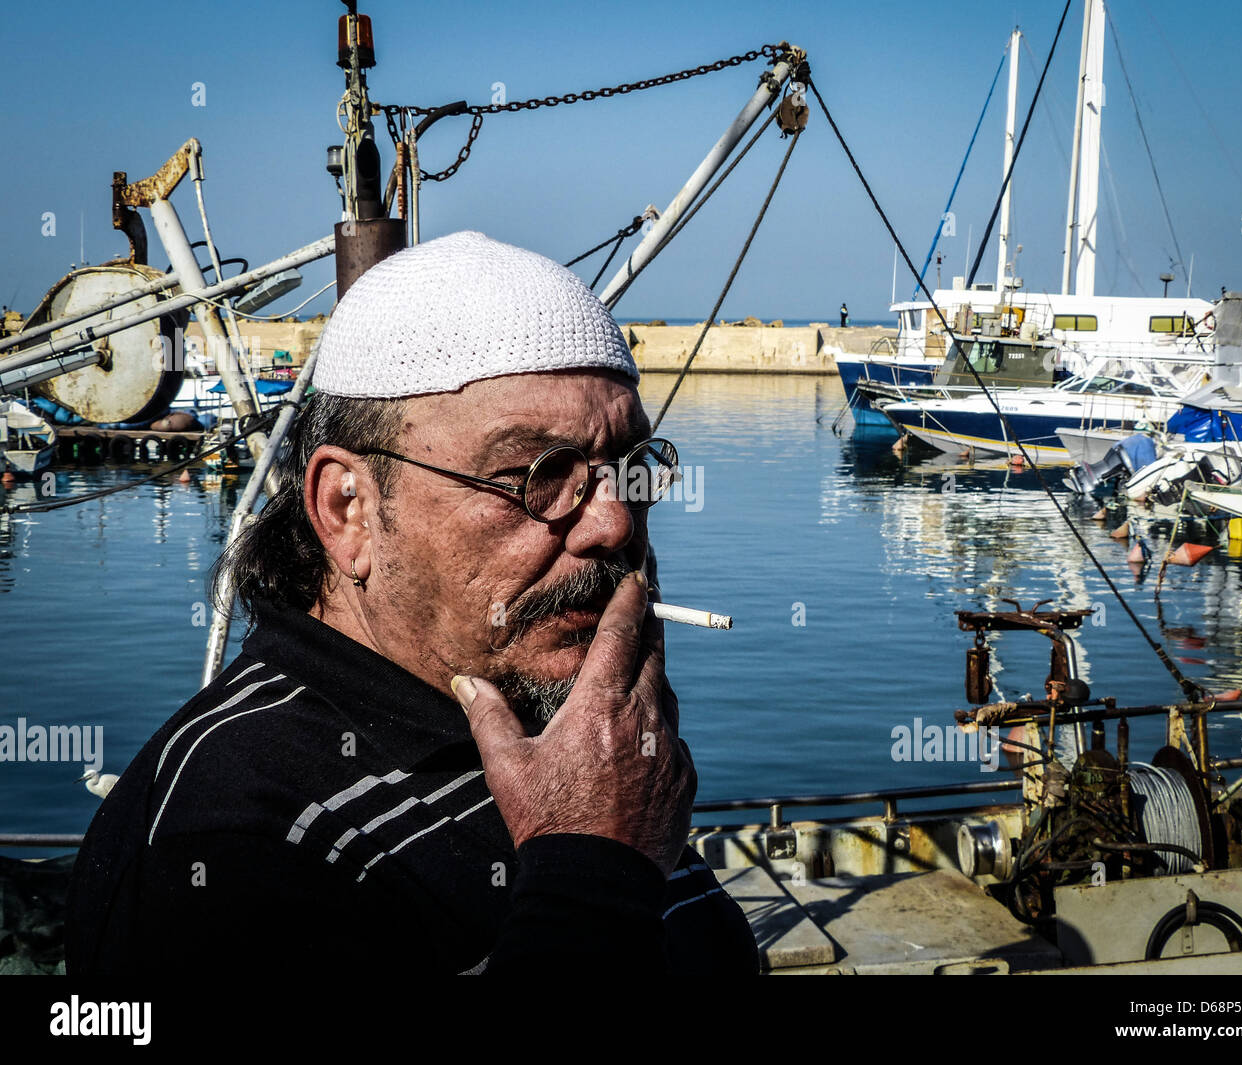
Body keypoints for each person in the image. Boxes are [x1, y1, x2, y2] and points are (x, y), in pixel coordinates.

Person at [66, 231, 758, 977]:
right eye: (537, 474)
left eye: (630, 466)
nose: (614, 521)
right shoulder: (225, 838)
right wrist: (592, 872)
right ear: (348, 508)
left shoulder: (575, 736)